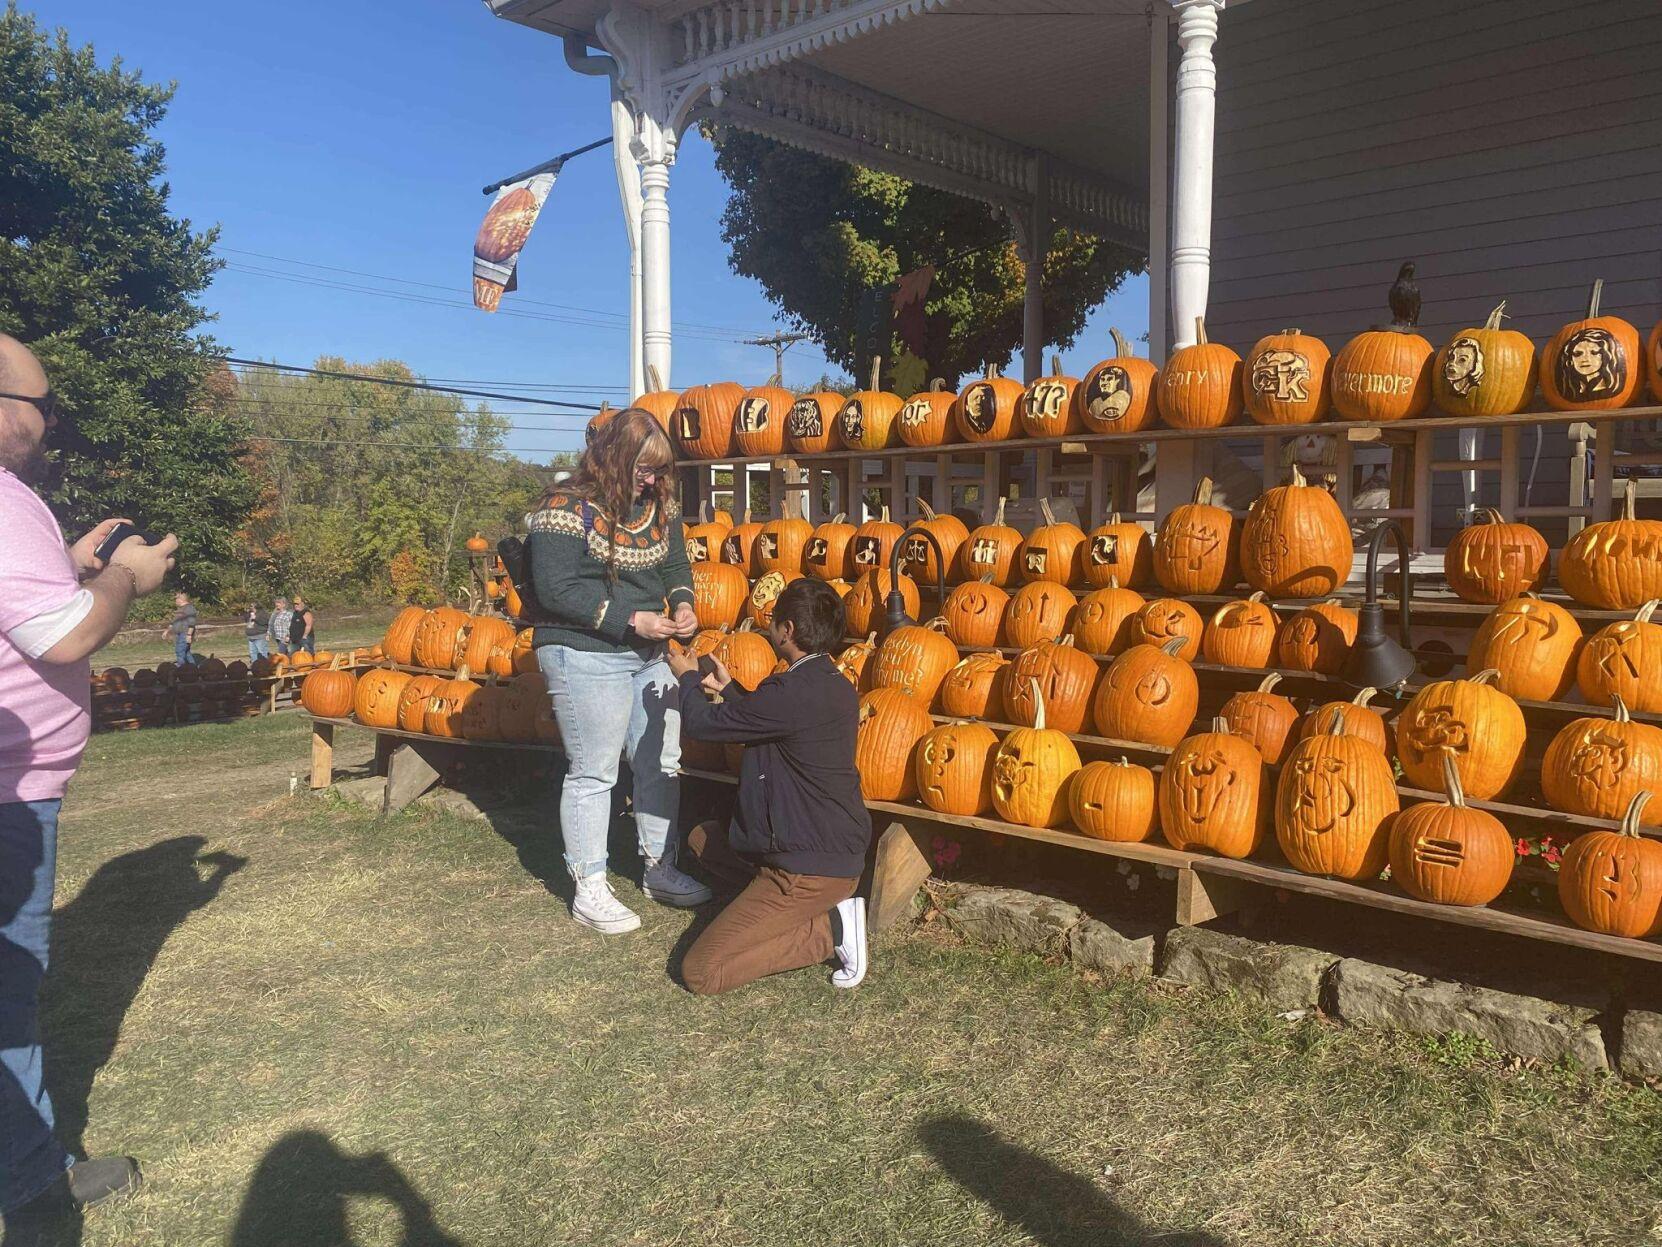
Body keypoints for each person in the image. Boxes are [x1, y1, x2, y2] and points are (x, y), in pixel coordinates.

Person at [0, 333, 178, 1229]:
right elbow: (65, 639)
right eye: (41, 404)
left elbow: (26, 611)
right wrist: (125, 581)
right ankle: (30, 1183)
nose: (49, 422)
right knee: (7, 1002)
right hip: (5, 799)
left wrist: (68, 570)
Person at [527, 406, 710, 933]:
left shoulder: (660, 505)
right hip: (584, 652)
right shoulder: (563, 507)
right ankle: (590, 885)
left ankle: (660, 867)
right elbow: (556, 588)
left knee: (661, 759)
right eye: (643, 469)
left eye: (658, 470)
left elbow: (675, 564)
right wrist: (632, 619)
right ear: (615, 458)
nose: (652, 480)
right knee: (595, 771)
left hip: (648, 652)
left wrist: (681, 606)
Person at [668, 577, 871, 994]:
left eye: (774, 619)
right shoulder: (830, 683)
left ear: (788, 630)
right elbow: (777, 722)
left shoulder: (791, 691)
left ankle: (831, 930)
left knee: (701, 972)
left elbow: (702, 724)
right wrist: (729, 689)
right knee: (703, 839)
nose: (770, 626)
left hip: (807, 868)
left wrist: (688, 679)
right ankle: (785, 910)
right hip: (829, 850)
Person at [165, 591, 197, 666]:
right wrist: (166, 631)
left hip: (185, 633)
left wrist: (189, 635)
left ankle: (181, 669)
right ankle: (194, 669)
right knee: (186, 652)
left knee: (179, 651)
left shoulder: (189, 608)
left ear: (181, 599)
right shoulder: (180, 610)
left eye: (176, 599)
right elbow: (173, 622)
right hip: (179, 634)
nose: (175, 601)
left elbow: (192, 623)